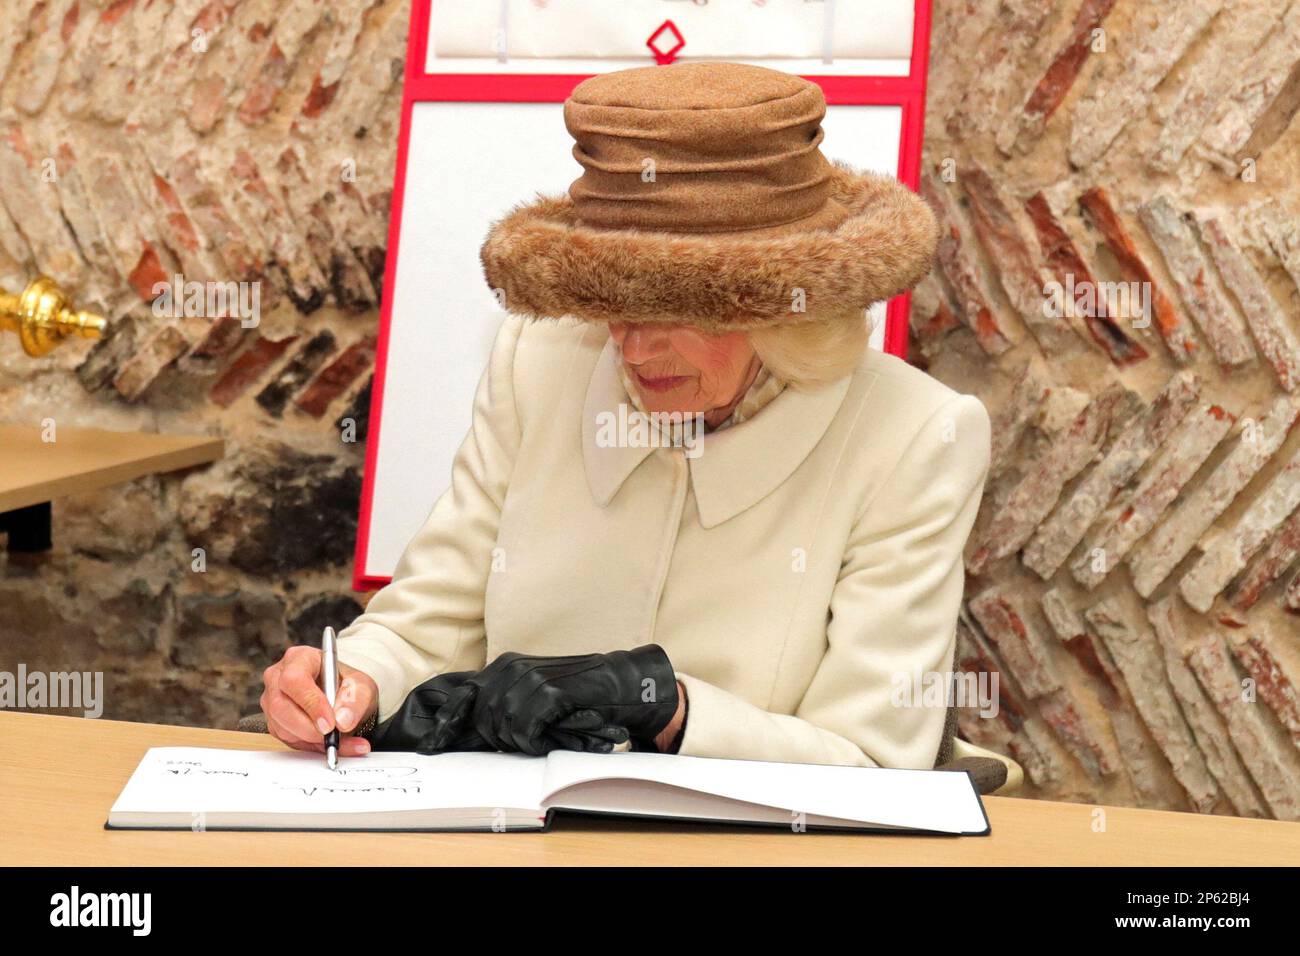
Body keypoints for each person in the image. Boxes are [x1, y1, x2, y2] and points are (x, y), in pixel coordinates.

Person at [260, 61, 989, 769]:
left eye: (675, 309)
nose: (635, 347)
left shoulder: (916, 436)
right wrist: (350, 678)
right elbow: (428, 622)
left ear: (776, 304)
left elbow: (874, 761)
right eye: (609, 303)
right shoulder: (539, 362)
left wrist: (672, 712)